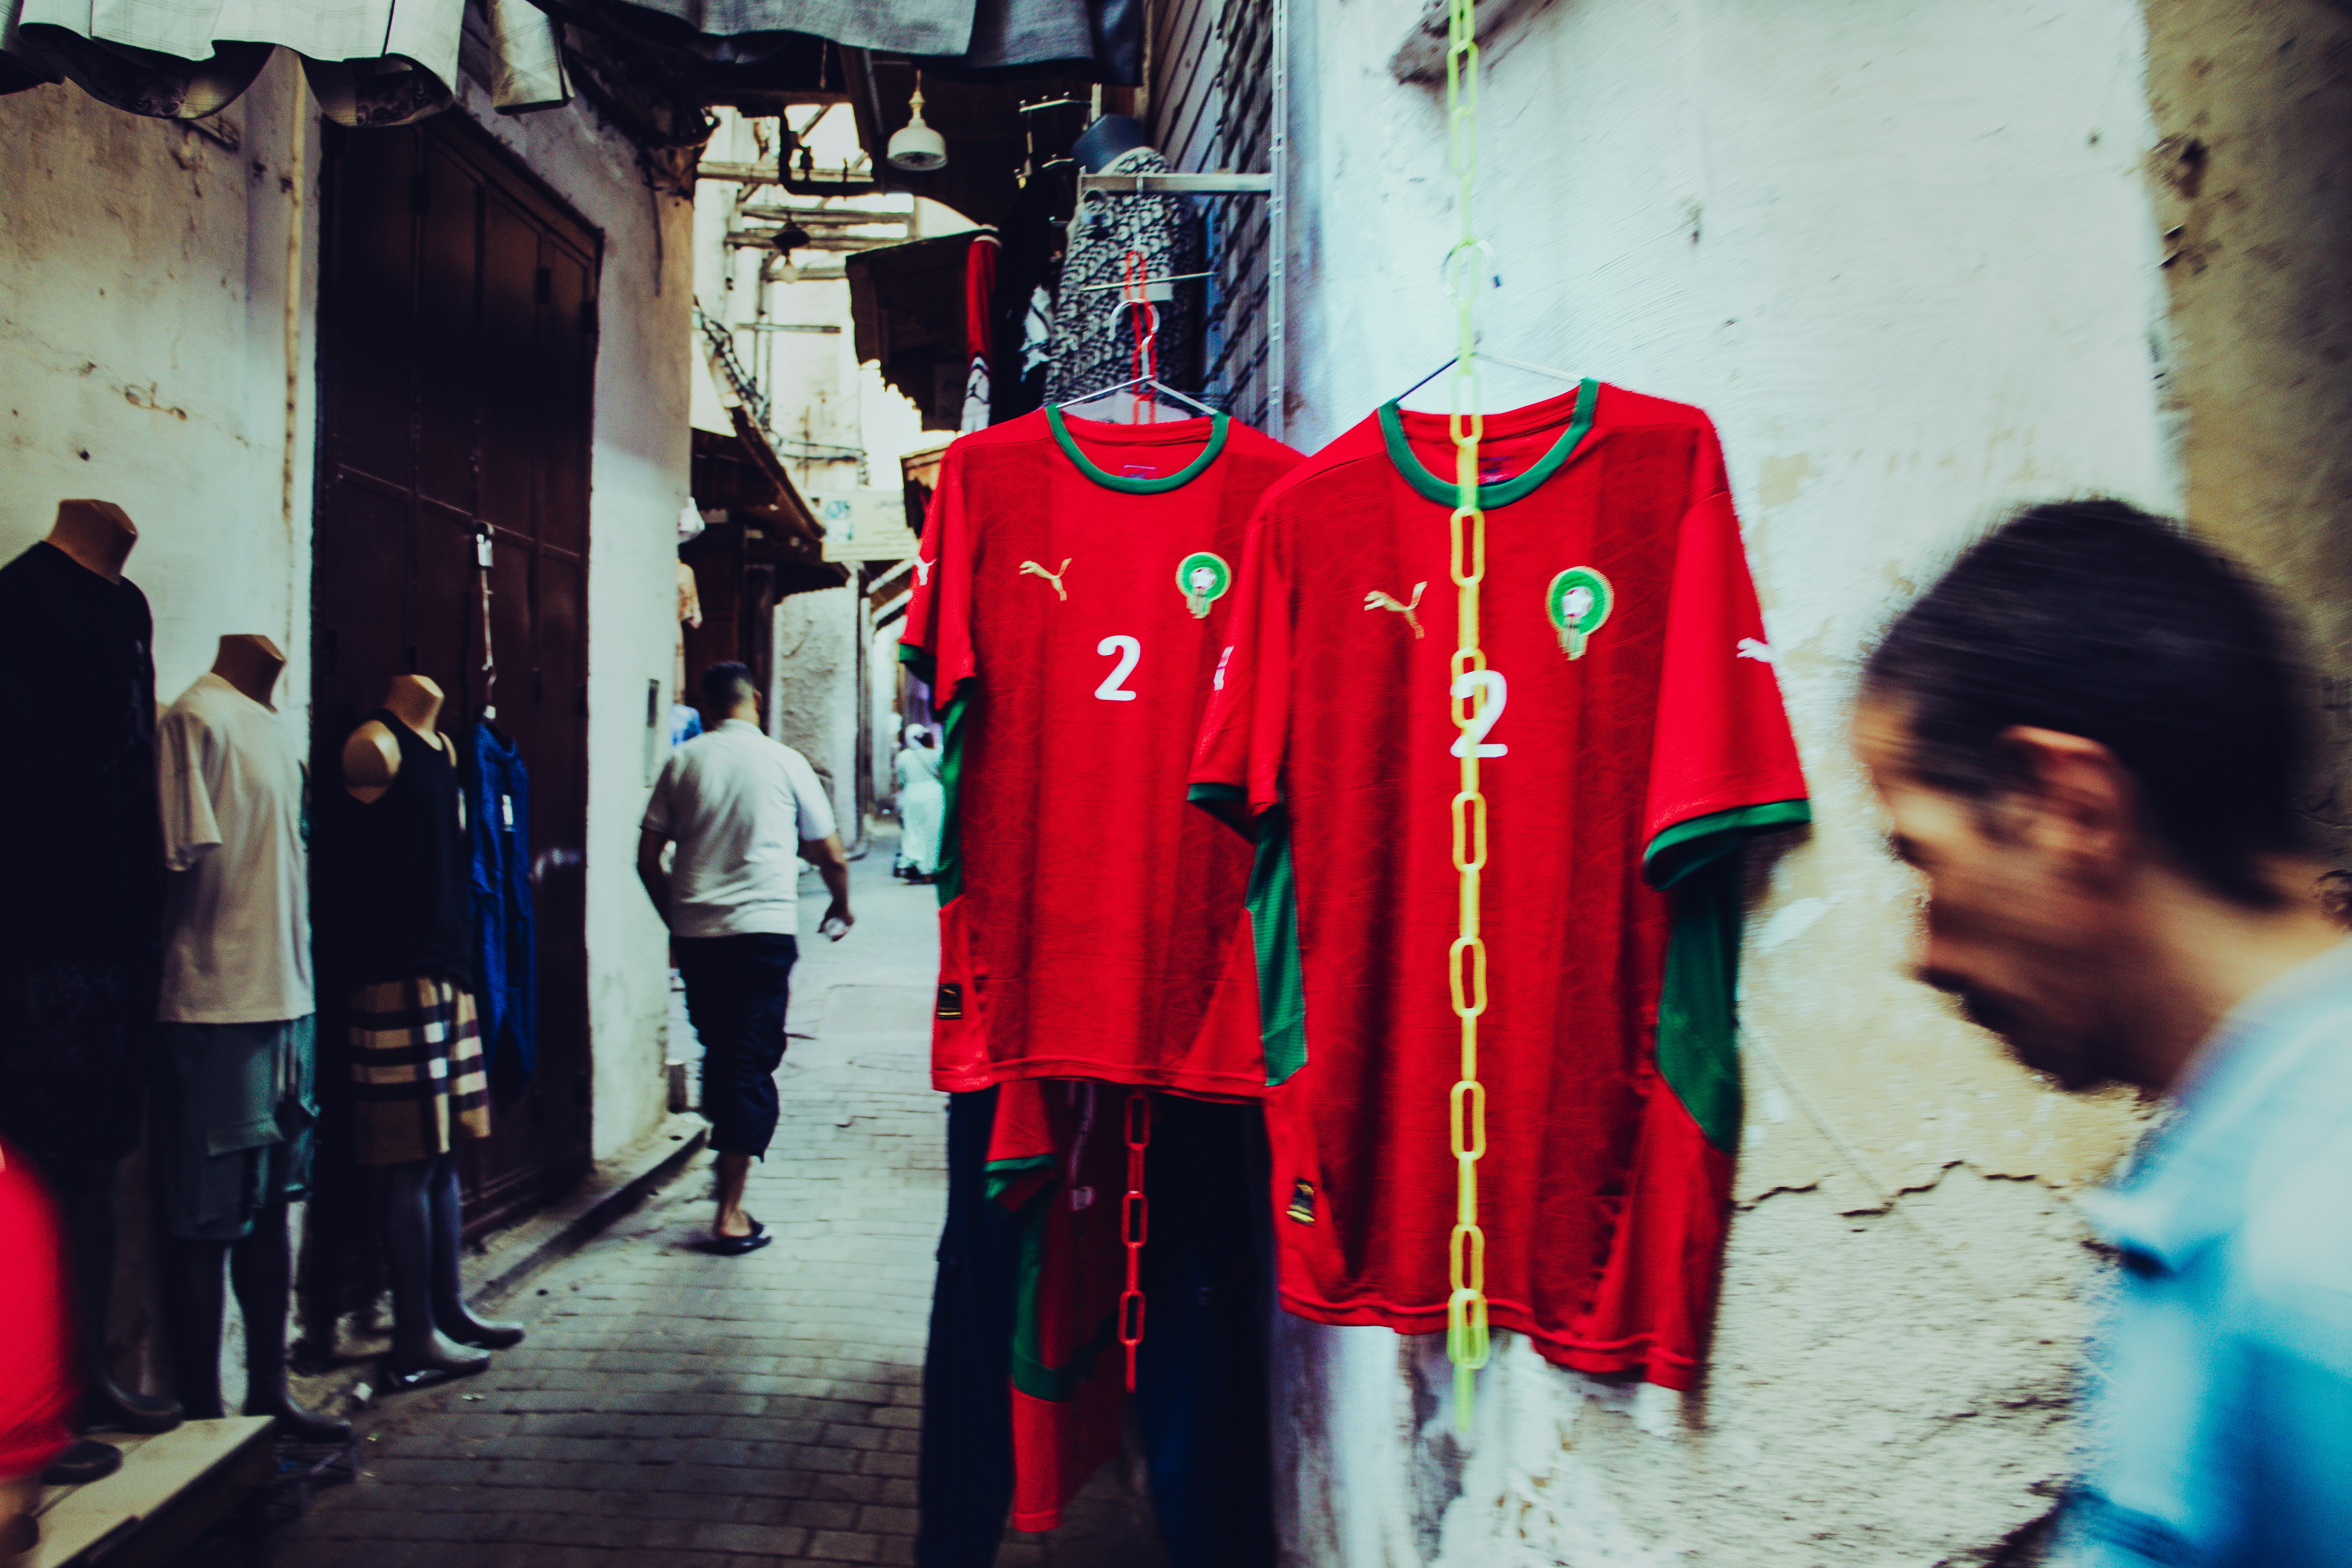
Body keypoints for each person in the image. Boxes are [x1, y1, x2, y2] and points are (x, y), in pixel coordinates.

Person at [1854, 500, 2352, 1567]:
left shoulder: (2318, 1247)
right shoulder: (2234, 1164)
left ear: (2066, 806)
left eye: (1922, 862)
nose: (1923, 952)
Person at [639, 663, 852, 1254]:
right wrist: (842, 906)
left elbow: (647, 855)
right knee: (749, 1063)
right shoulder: (786, 762)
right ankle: (730, 1213)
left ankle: (726, 1168)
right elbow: (831, 853)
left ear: (706, 705)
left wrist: (677, 925)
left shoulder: (684, 761)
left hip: (701, 937)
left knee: (724, 1052)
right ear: (755, 700)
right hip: (762, 935)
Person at [894, 725, 945, 882]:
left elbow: (901, 780)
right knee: (933, 832)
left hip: (912, 795)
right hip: (934, 794)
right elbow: (943, 772)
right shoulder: (936, 753)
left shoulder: (903, 757)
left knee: (914, 831)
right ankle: (930, 869)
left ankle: (916, 865)